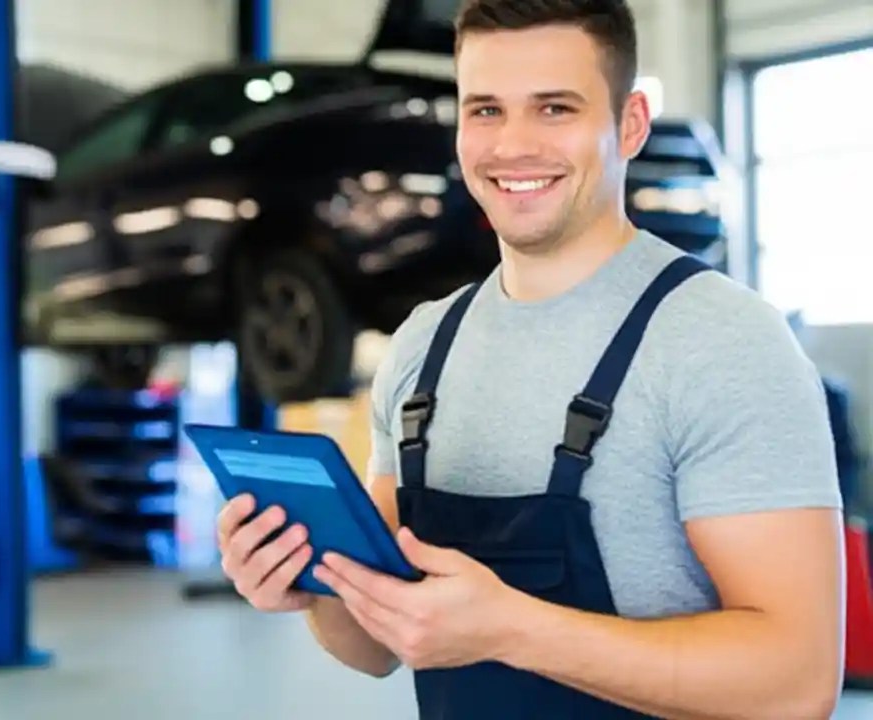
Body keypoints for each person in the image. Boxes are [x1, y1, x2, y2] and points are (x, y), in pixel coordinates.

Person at [215, 0, 846, 718]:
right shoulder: (422, 348)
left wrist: (513, 628)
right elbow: (378, 644)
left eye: (554, 108)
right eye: (484, 110)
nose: (512, 146)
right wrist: (306, 586)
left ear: (629, 123)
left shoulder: (722, 341)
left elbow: (796, 682)